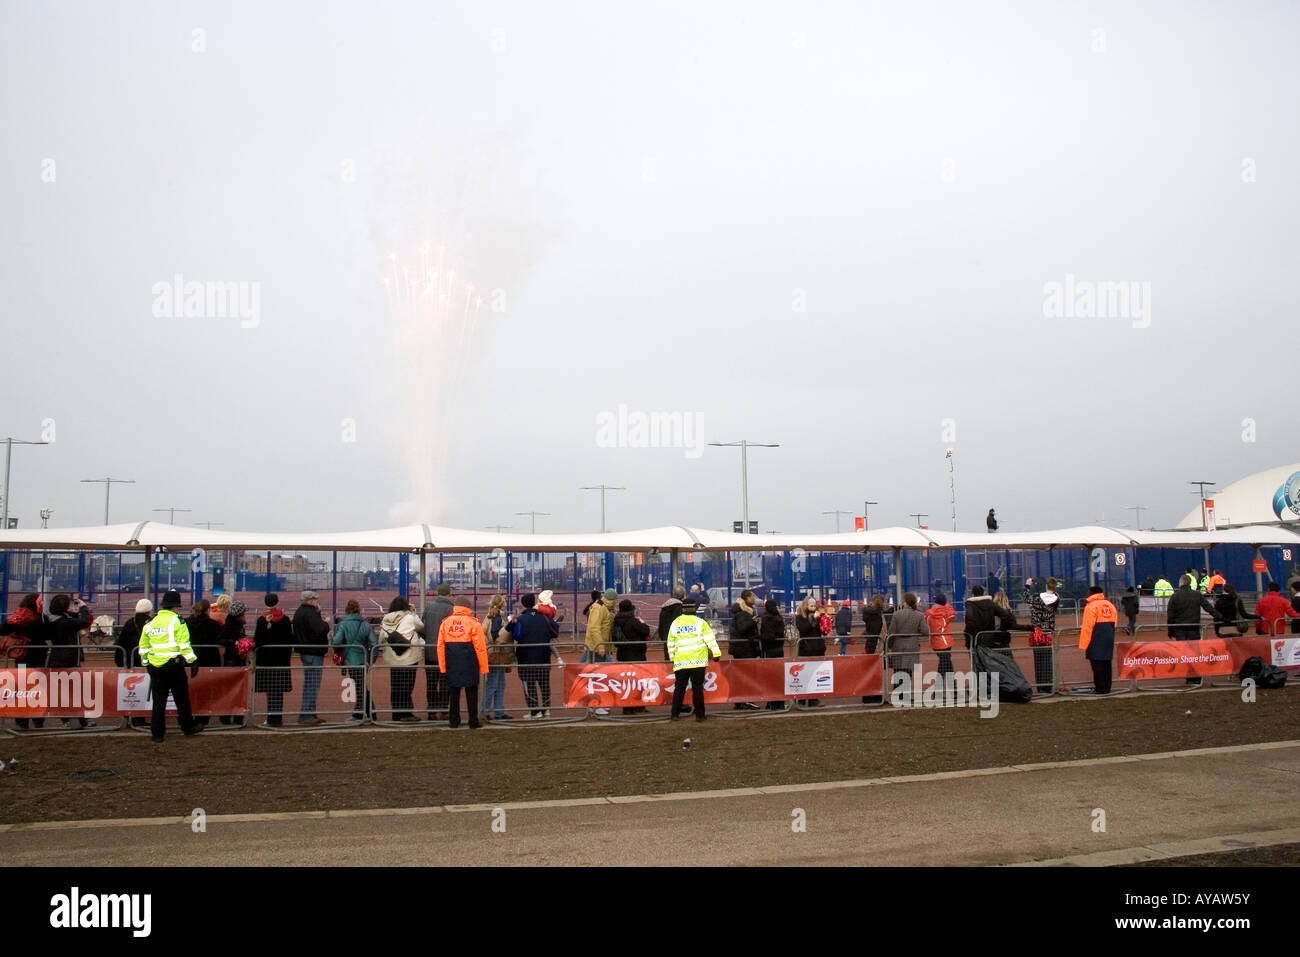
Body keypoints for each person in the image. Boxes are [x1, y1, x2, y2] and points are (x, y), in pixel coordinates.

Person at [138, 590, 202, 741]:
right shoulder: (178, 622)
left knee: (159, 701)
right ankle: (187, 726)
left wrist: (146, 663)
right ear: (176, 606)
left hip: (155, 667)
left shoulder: (150, 623)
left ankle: (157, 734)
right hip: (173, 666)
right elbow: (184, 645)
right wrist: (192, 661)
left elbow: (143, 646)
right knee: (181, 699)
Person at [666, 597, 721, 722]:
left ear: (683, 609)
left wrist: (672, 658)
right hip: (698, 662)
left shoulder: (676, 623)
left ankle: (675, 714)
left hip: (681, 662)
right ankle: (700, 715)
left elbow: (671, 643)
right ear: (694, 609)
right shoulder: (700, 623)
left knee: (679, 688)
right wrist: (716, 654)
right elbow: (710, 640)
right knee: (697, 688)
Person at [437, 603, 489, 729]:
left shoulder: (445, 623)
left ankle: (454, 721)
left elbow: (440, 647)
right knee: (471, 693)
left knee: (454, 693)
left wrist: (443, 667)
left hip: (452, 663)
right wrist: (484, 667)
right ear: (467, 607)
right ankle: (473, 721)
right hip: (470, 663)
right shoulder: (473, 623)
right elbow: (480, 648)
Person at [1166, 574, 1223, 686]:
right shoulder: (1197, 595)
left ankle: (1188, 676)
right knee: (1195, 653)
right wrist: (1220, 617)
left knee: (1184, 654)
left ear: (1181, 583)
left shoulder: (1174, 597)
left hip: (1179, 629)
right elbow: (1208, 608)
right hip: (1193, 627)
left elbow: (1170, 615)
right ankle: (1196, 676)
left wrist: (1170, 630)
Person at [46, 594, 91, 728]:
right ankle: (76, 720)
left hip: (58, 659)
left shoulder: (54, 620)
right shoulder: (63, 622)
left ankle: (70, 719)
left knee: (63, 692)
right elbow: (83, 622)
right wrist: (83, 608)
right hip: (68, 659)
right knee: (75, 691)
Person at [2, 594, 46, 729]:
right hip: (36, 658)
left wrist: (15, 622)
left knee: (22, 690)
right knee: (37, 690)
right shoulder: (40, 619)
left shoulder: (21, 618)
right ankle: (37, 721)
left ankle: (22, 722)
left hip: (24, 658)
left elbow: (3, 629)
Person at [510, 593, 558, 718]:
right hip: (543, 657)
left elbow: (516, 636)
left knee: (529, 684)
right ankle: (546, 710)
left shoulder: (520, 619)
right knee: (544, 684)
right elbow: (555, 632)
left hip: (525, 659)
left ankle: (534, 711)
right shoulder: (544, 617)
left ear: (523, 604)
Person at [380, 596, 425, 722]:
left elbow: (382, 638)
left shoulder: (386, 619)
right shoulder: (409, 617)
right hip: (409, 657)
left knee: (395, 686)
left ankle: (396, 713)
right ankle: (406, 713)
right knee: (407, 686)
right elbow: (421, 627)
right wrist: (413, 612)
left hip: (393, 658)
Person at [252, 593, 294, 727]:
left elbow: (257, 641)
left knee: (270, 690)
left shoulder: (261, 620)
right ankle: (277, 717)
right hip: (281, 660)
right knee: (278, 690)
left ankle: (271, 717)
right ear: (277, 602)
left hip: (265, 661)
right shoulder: (285, 620)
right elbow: (289, 640)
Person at [292, 590, 331, 726]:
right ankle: (306, 714)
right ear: (311, 600)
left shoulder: (299, 612)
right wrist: (326, 623)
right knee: (312, 684)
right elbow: (320, 629)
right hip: (313, 652)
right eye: (315, 599)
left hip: (305, 651)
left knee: (310, 683)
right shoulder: (309, 614)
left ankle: (310, 713)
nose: (317, 602)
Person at [332, 600, 373, 722]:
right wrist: (371, 660)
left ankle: (362, 714)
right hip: (362, 659)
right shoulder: (365, 624)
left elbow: (336, 641)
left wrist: (338, 651)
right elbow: (374, 642)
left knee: (359, 687)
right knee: (361, 686)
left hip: (350, 660)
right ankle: (368, 712)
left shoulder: (343, 624)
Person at [185, 600, 222, 727]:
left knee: (191, 689)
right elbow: (220, 638)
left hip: (192, 659)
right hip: (210, 659)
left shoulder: (186, 623)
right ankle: (203, 716)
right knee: (208, 689)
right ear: (207, 610)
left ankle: (191, 714)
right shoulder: (213, 624)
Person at [421, 584, 455, 720]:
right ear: (449, 593)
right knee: (445, 682)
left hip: (430, 651)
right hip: (446, 652)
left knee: (431, 682)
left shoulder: (428, 608)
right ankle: (444, 709)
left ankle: (432, 709)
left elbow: (423, 628)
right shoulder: (451, 610)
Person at [611, 599, 651, 714]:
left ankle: (627, 707)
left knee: (626, 682)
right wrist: (643, 623)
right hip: (636, 654)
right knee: (639, 681)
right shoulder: (633, 621)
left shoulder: (616, 621)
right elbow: (646, 630)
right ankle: (639, 705)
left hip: (622, 654)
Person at [1023, 577, 1061, 695]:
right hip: (1048, 631)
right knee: (1048, 661)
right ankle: (1048, 686)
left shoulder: (1037, 597)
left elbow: (1025, 597)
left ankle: (1040, 687)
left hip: (1037, 632)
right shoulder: (1056, 599)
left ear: (1046, 585)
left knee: (1038, 661)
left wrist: (1027, 585)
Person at [1078, 586, 1117, 695]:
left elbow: (1087, 627)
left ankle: (1100, 688)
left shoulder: (1091, 606)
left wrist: (1084, 644)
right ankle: (1107, 687)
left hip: (1096, 638)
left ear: (1091, 593)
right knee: (1107, 664)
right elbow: (1115, 624)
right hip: (1109, 637)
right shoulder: (1110, 605)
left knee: (1097, 664)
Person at [215, 600, 248, 726]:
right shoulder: (230, 626)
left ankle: (235, 717)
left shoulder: (236, 624)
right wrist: (235, 643)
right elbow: (219, 639)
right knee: (231, 690)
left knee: (235, 690)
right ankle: (228, 716)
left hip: (236, 659)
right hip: (233, 660)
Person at [480, 595, 513, 722]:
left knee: (498, 683)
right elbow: (498, 637)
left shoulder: (488, 617)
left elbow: (484, 634)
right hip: (497, 654)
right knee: (494, 684)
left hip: (492, 653)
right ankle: (486, 710)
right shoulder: (499, 618)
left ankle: (498, 711)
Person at [964, 585, 1024, 650]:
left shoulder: (973, 606)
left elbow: (969, 624)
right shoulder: (1000, 610)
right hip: (1000, 639)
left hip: (987, 640)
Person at [888, 593, 929, 684]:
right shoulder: (919, 615)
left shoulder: (896, 614)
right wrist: (915, 633)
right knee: (908, 670)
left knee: (897, 670)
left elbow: (891, 632)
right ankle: (906, 695)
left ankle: (897, 694)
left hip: (898, 645)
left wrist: (889, 645)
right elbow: (925, 631)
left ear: (905, 602)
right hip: (912, 645)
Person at [793, 597, 825, 707]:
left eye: (814, 605)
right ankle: (803, 699)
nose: (813, 607)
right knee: (805, 675)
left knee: (815, 675)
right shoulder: (800, 617)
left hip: (817, 648)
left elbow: (821, 631)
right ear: (806, 606)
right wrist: (813, 620)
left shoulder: (817, 615)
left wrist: (825, 622)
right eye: (811, 605)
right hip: (806, 649)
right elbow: (803, 629)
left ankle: (813, 698)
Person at [759, 598, 788, 710]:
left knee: (770, 678)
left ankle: (772, 703)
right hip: (779, 649)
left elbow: (769, 637)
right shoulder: (779, 618)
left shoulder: (767, 618)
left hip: (769, 650)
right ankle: (779, 702)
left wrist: (758, 637)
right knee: (778, 677)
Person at [924, 594, 957, 678]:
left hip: (935, 642)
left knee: (946, 664)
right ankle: (944, 687)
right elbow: (953, 613)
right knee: (945, 664)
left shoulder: (929, 614)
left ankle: (952, 687)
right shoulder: (946, 613)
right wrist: (946, 605)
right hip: (945, 642)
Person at [114, 599, 152, 667]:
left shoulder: (129, 623)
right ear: (149, 610)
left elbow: (121, 642)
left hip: (130, 661)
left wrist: (119, 661)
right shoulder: (152, 623)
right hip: (147, 660)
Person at [584, 588, 616, 663]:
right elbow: (594, 628)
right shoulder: (599, 608)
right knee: (594, 670)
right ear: (612, 600)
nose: (615, 603)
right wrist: (600, 646)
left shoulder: (604, 608)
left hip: (596, 646)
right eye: (615, 600)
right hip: (596, 647)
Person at [657, 587, 685, 662]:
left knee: (668, 659)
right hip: (678, 638)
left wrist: (662, 636)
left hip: (667, 637)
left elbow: (661, 624)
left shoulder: (664, 608)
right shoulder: (680, 608)